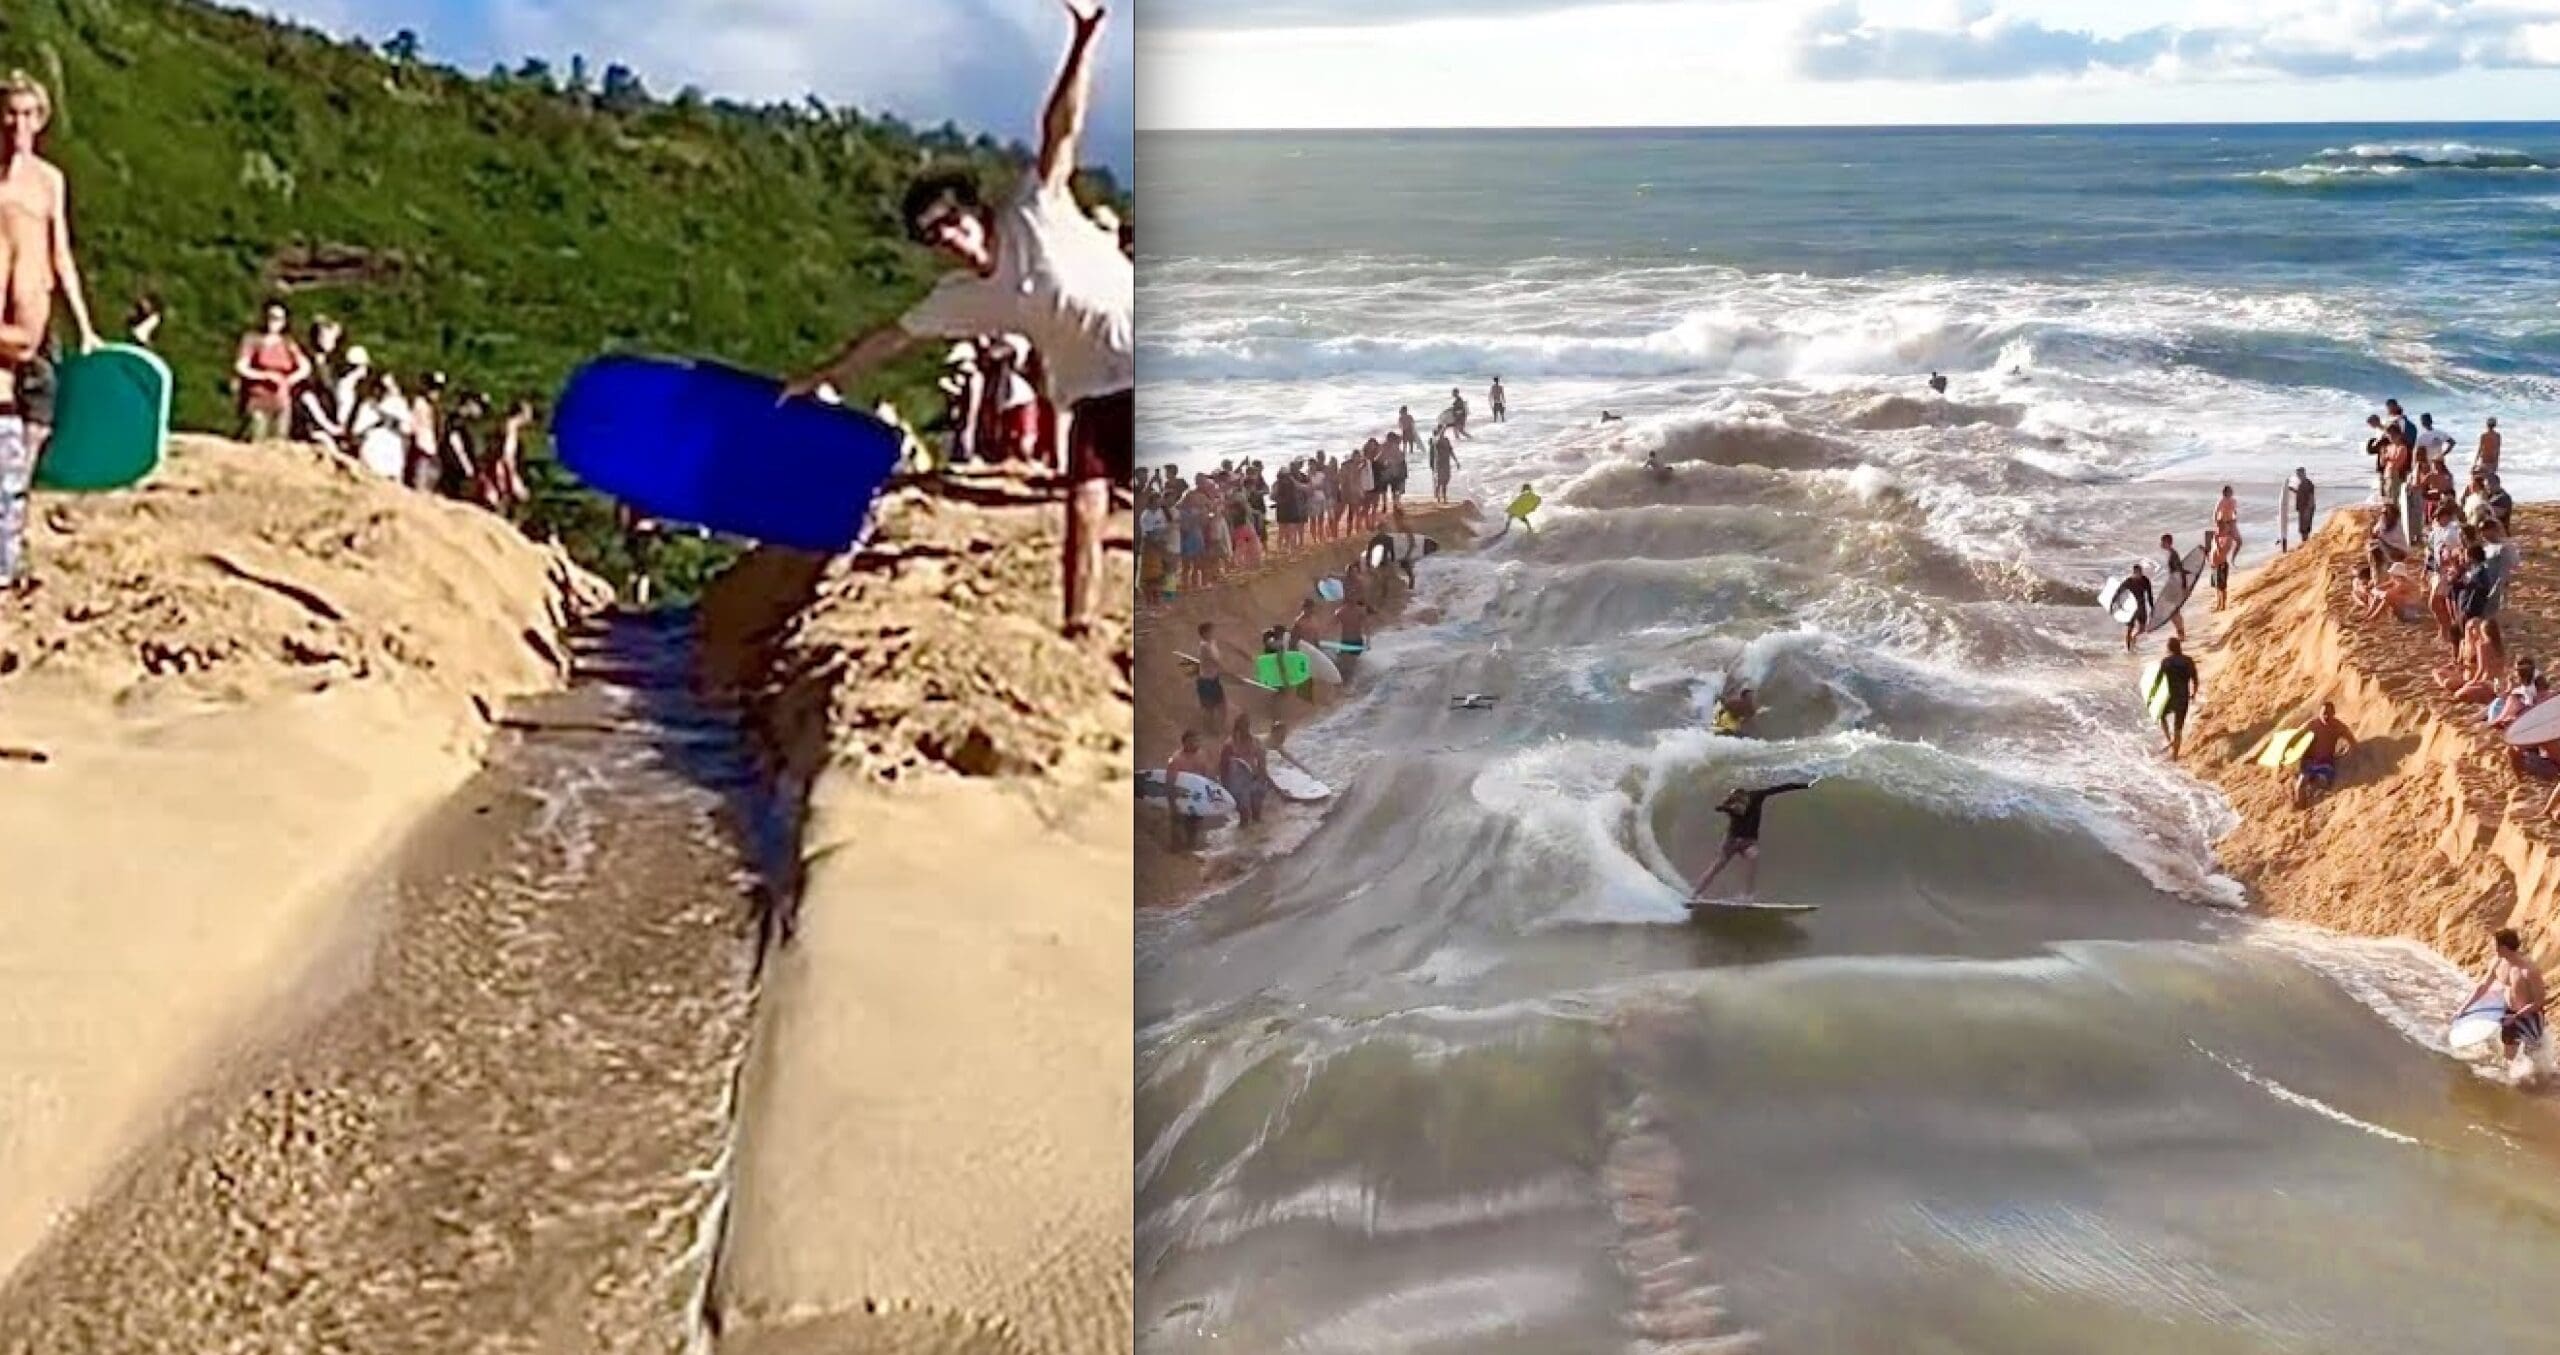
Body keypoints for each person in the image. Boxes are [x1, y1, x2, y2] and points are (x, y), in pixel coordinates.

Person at [784, 0, 1128, 640]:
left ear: (973, 211)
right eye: (932, 235)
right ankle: (1079, 625)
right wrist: (820, 376)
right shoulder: (962, 297)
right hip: (1089, 385)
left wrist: (1085, 37)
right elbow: (889, 337)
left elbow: (1062, 130)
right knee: (1084, 497)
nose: (947, 237)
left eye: (950, 221)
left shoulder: (1034, 209)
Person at [1685, 779, 1814, 903]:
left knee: (1754, 856)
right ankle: (1695, 894)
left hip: (1749, 842)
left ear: (1746, 798)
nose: (1739, 809)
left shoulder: (1758, 795)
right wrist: (1726, 808)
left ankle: (1747, 896)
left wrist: (1805, 785)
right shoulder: (1730, 805)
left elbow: (1781, 788)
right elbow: (1720, 808)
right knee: (1717, 866)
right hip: (1731, 841)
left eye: (1741, 805)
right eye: (1736, 807)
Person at [2461, 928, 2546, 1073]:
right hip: (2509, 1013)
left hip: (2530, 1016)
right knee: (2509, 1060)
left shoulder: (2529, 970)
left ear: (2504, 948)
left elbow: (2539, 1001)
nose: (2492, 948)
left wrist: (2516, 1016)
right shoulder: (2498, 963)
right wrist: (2464, 1008)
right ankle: (2512, 1083)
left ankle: (2541, 1084)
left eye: (2494, 945)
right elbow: (2483, 986)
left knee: (2535, 1061)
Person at [230, 299, 310, 444]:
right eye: (270, 317)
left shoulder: (288, 343)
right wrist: (264, 376)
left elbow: (305, 366)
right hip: (258, 398)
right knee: (257, 438)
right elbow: (241, 366)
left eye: (278, 319)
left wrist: (290, 379)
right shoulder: (252, 340)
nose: (273, 322)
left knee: (279, 441)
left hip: (281, 399)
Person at [1163, 730, 1219, 852]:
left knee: (1194, 822)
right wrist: (1172, 802)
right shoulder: (1176, 758)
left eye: (1197, 741)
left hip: (1196, 793)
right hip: (1180, 794)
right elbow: (1170, 781)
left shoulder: (1201, 755)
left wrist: (1213, 789)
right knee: (1178, 822)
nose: (1195, 743)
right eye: (1192, 741)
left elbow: (1207, 774)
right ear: (1184, 743)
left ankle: (1190, 846)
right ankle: (1175, 848)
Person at [2293, 701, 2354, 809]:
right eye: (2323, 713)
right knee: (2300, 785)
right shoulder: (2312, 725)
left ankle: (2314, 807)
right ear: (2319, 713)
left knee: (2321, 784)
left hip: (2326, 763)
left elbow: (2352, 741)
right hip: (2310, 762)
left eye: (2328, 714)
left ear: (2334, 713)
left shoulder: (2338, 726)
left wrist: (2348, 754)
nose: (2326, 716)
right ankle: (2300, 809)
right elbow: (2295, 736)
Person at [2152, 635, 2199, 759]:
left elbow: (2157, 681)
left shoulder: (2166, 662)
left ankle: (2169, 739)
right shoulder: (2189, 661)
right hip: (2183, 698)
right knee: (2178, 727)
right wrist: (2194, 693)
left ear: (2169, 648)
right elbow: (2195, 679)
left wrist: (2153, 695)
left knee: (2161, 715)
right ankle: (2175, 756)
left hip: (2170, 697)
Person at [1221, 714, 1268, 829]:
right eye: (1243, 725)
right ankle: (1242, 842)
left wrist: (1262, 778)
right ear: (1237, 727)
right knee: (1244, 816)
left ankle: (1260, 841)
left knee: (1257, 813)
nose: (1246, 728)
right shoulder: (1229, 745)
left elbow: (1262, 761)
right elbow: (1223, 766)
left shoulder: (1255, 741)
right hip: (1238, 783)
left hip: (1254, 779)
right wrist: (1225, 786)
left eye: (1247, 725)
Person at [2114, 564, 2153, 653]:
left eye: (2140, 572)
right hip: (2131, 608)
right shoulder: (2128, 581)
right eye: (2137, 573)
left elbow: (2150, 595)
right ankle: (2128, 649)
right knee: (2129, 629)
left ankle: (2134, 639)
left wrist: (2152, 607)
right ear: (2134, 573)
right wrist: (2117, 604)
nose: (2139, 575)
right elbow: (2118, 592)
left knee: (2142, 629)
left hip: (2142, 607)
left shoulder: (2145, 580)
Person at [2282, 467, 2315, 549]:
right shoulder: (2301, 483)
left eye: (2299, 474)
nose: (2298, 475)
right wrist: (2292, 489)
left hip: (2306, 509)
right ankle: (2305, 543)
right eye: (2297, 474)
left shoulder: (2307, 483)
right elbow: (2301, 493)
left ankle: (2305, 544)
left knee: (2305, 528)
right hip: (2302, 509)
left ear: (2303, 473)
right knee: (2302, 528)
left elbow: (2311, 497)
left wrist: (2308, 510)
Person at [2208, 528, 2237, 612]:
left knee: (2222, 587)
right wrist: (2208, 556)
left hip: (2221, 565)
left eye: (2220, 528)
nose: (2218, 530)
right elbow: (2211, 550)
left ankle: (2223, 606)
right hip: (2214, 566)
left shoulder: (2228, 539)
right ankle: (2218, 605)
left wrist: (2216, 540)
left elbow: (2220, 552)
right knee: (2217, 587)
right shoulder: (2215, 538)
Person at [1428, 428, 1457, 503]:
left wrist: (1456, 461)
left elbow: (1450, 451)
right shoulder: (1434, 440)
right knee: (1439, 481)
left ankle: (1444, 497)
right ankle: (1438, 497)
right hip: (1438, 463)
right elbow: (1435, 444)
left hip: (1446, 463)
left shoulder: (1446, 440)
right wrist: (1431, 463)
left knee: (1445, 481)